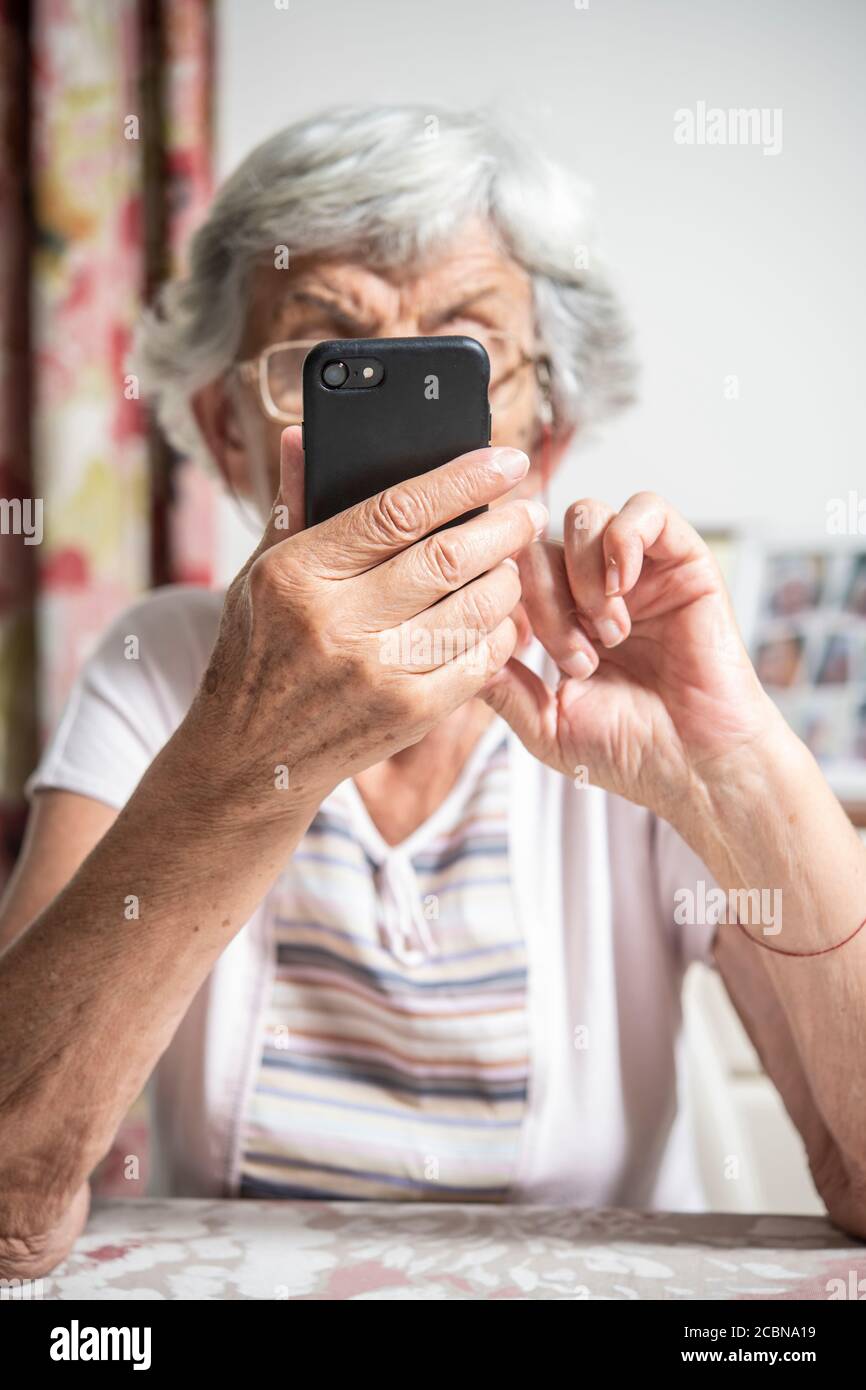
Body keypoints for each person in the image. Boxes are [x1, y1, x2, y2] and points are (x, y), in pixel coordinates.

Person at [2, 107, 865, 1281]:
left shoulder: (618, 672)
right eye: (327, 357)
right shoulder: (160, 666)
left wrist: (727, 767)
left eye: (456, 358)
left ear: (543, 434)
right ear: (225, 430)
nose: (405, 444)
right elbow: (12, 1200)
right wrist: (249, 754)